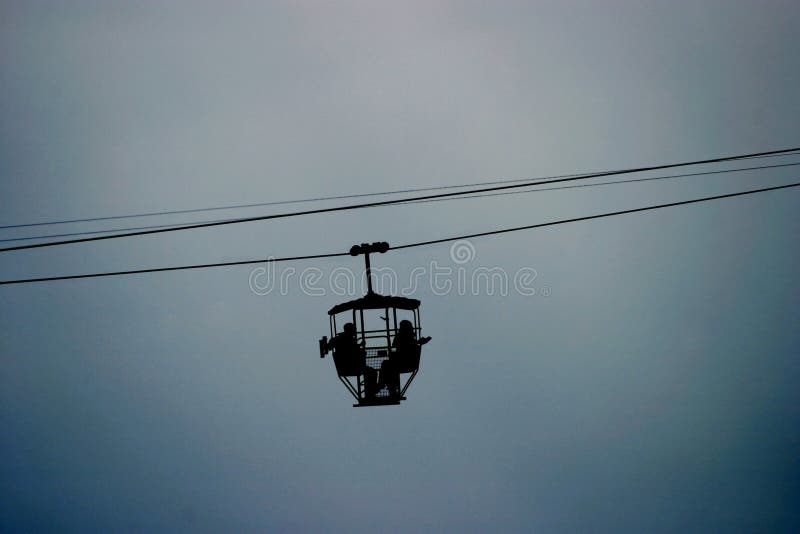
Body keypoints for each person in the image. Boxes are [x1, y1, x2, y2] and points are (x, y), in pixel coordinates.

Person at [376, 320, 431, 397]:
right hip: (404, 362)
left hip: (406, 362)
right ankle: (390, 388)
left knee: (388, 365)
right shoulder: (408, 337)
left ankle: (383, 385)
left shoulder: (405, 337)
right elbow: (396, 349)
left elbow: (402, 349)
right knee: (390, 366)